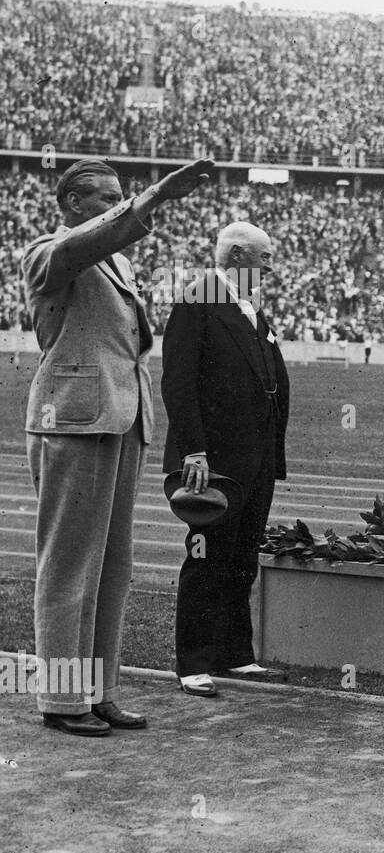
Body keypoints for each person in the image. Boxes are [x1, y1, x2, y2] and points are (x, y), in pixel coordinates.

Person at [23, 156, 214, 735]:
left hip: (120, 418)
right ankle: (61, 699)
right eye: (104, 198)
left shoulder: (118, 262)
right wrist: (152, 197)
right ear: (74, 206)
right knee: (68, 565)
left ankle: (100, 691)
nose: (116, 205)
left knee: (112, 565)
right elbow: (80, 248)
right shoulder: (46, 252)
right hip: (73, 420)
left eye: (120, 195)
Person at [162, 222, 290, 697]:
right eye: (263, 257)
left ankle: (235, 653)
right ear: (236, 255)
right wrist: (193, 450)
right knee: (205, 555)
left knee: (241, 558)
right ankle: (193, 661)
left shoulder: (250, 307)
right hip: (215, 459)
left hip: (255, 457)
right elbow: (178, 381)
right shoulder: (198, 300)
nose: (270, 266)